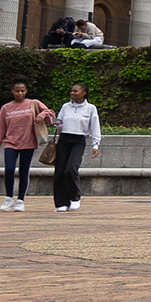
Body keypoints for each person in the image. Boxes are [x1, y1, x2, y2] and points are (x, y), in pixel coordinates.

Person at [0, 79, 51, 211]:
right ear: (12, 91)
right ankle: (8, 197)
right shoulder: (6, 108)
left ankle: (20, 200)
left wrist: (41, 115)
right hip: (10, 143)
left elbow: (50, 113)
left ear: (26, 91)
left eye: (22, 91)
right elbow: (0, 129)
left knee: (24, 171)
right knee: (9, 169)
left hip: (29, 143)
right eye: (17, 91)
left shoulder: (33, 103)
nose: (20, 93)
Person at [42, 82, 101, 212]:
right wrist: (54, 121)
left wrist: (95, 144)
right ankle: (61, 203)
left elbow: (94, 127)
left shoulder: (90, 108)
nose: (72, 93)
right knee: (59, 171)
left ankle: (75, 197)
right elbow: (60, 123)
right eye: (71, 91)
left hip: (78, 140)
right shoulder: (66, 106)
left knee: (71, 169)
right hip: (64, 139)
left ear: (84, 93)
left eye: (75, 91)